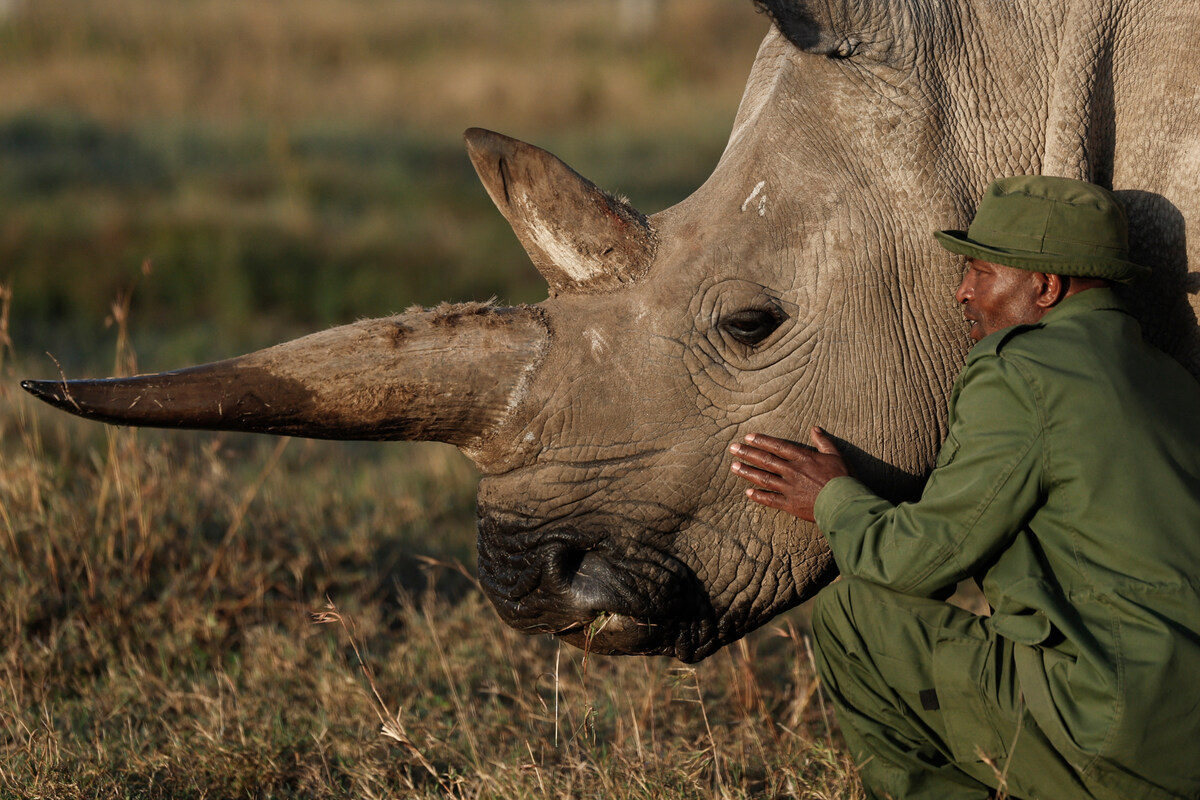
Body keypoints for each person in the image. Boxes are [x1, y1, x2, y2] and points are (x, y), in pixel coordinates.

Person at [729, 176, 1200, 800]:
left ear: (1046, 287)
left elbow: (919, 563)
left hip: (1114, 732)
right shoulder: (1172, 378)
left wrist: (831, 499)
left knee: (855, 617)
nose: (963, 293)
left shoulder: (1020, 370)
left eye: (980, 271)